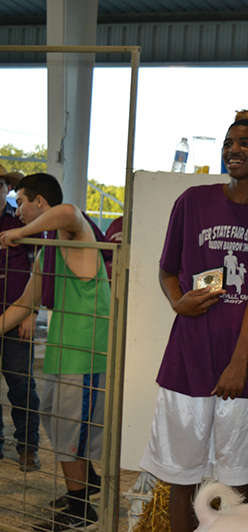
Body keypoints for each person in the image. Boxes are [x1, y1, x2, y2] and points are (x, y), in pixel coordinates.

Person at [138, 117, 248, 532]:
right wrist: (178, 302)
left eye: (246, 143)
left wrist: (239, 362)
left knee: (237, 477)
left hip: (245, 361)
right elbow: (167, 269)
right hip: (188, 357)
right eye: (228, 143)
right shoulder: (192, 200)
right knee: (180, 474)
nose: (234, 150)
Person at [0, 173, 110, 532]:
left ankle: (81, 511)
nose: (16, 211)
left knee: (68, 431)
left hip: (85, 352)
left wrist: (16, 235)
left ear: (40, 202)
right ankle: (85, 482)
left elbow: (69, 210)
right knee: (54, 420)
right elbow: (24, 303)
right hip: (63, 353)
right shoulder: (47, 249)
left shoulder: (71, 232)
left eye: (21, 202)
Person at [0, 166, 41, 472]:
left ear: (6, 189)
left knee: (21, 385)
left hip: (16, 316)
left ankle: (28, 447)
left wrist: (32, 312)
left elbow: (40, 269)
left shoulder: (23, 224)